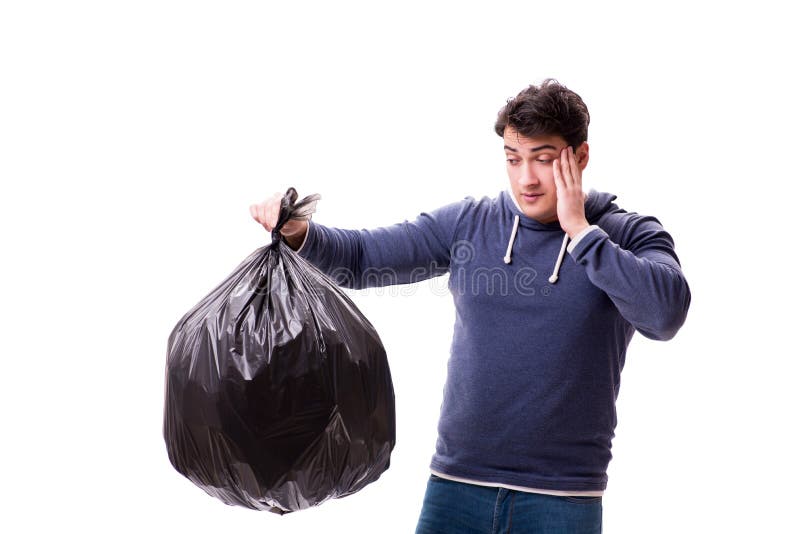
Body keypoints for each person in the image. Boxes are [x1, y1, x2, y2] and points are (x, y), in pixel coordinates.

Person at [249, 79, 691, 533]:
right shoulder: (470, 223)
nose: (526, 179)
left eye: (543, 159)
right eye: (513, 159)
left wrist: (580, 231)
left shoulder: (626, 234)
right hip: (455, 488)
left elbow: (665, 315)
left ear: (579, 157)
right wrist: (300, 232)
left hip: (563, 497)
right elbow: (363, 258)